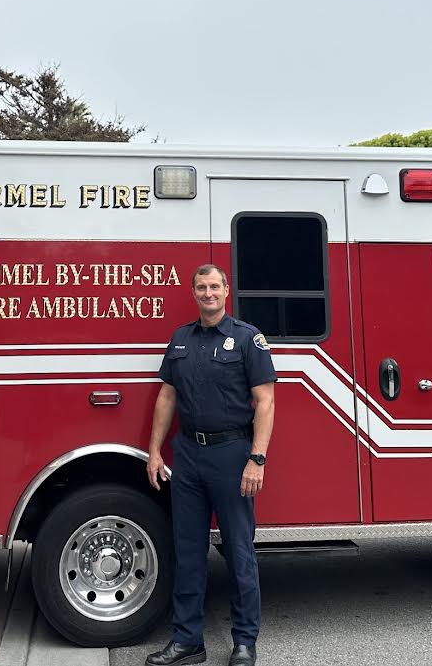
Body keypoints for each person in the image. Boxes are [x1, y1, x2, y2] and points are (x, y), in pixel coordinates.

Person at [146, 265, 276, 666]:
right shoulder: (181, 339)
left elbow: (266, 401)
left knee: (238, 551)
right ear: (193, 292)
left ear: (226, 291)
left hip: (232, 455)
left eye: (214, 286)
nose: (208, 293)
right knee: (188, 552)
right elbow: (167, 397)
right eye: (201, 287)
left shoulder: (247, 338)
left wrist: (257, 459)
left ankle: (244, 641)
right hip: (188, 455)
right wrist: (154, 451)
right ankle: (188, 642)